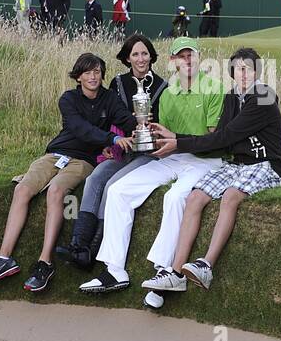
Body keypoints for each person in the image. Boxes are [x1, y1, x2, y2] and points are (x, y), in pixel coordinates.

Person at [0, 52, 138, 292]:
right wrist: (112, 138)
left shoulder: (110, 99)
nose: (93, 76)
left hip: (83, 161)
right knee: (22, 189)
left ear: (102, 74)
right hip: (56, 154)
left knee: (56, 191)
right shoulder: (68, 99)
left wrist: (139, 128)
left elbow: (125, 120)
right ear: (78, 77)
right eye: (87, 72)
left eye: (97, 71)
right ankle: (4, 259)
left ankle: (45, 263)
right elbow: (80, 129)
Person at [81, 37, 224, 293]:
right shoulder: (168, 94)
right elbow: (168, 138)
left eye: (192, 54)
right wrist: (155, 141)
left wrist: (176, 141)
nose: (188, 59)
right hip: (175, 155)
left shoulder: (215, 88)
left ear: (199, 57)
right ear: (172, 61)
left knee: (175, 196)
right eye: (182, 55)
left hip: (206, 160)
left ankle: (165, 270)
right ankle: (115, 270)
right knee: (117, 191)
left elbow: (214, 140)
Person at [144, 47, 281, 299]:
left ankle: (206, 266)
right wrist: (176, 137)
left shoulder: (263, 97)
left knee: (231, 195)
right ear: (232, 72)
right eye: (238, 69)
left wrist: (178, 143)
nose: (243, 74)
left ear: (257, 72)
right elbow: (219, 139)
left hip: (265, 164)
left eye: (249, 69)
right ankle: (176, 274)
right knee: (195, 197)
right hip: (238, 164)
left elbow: (227, 136)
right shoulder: (232, 97)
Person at [57, 34, 168, 270]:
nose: (140, 58)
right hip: (122, 147)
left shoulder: (163, 87)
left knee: (111, 186)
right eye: (135, 54)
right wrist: (109, 142)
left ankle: (93, 249)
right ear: (127, 58)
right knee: (95, 178)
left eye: (144, 53)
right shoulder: (117, 84)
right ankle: (78, 245)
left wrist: (146, 129)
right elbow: (113, 118)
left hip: (149, 151)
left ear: (151, 56)